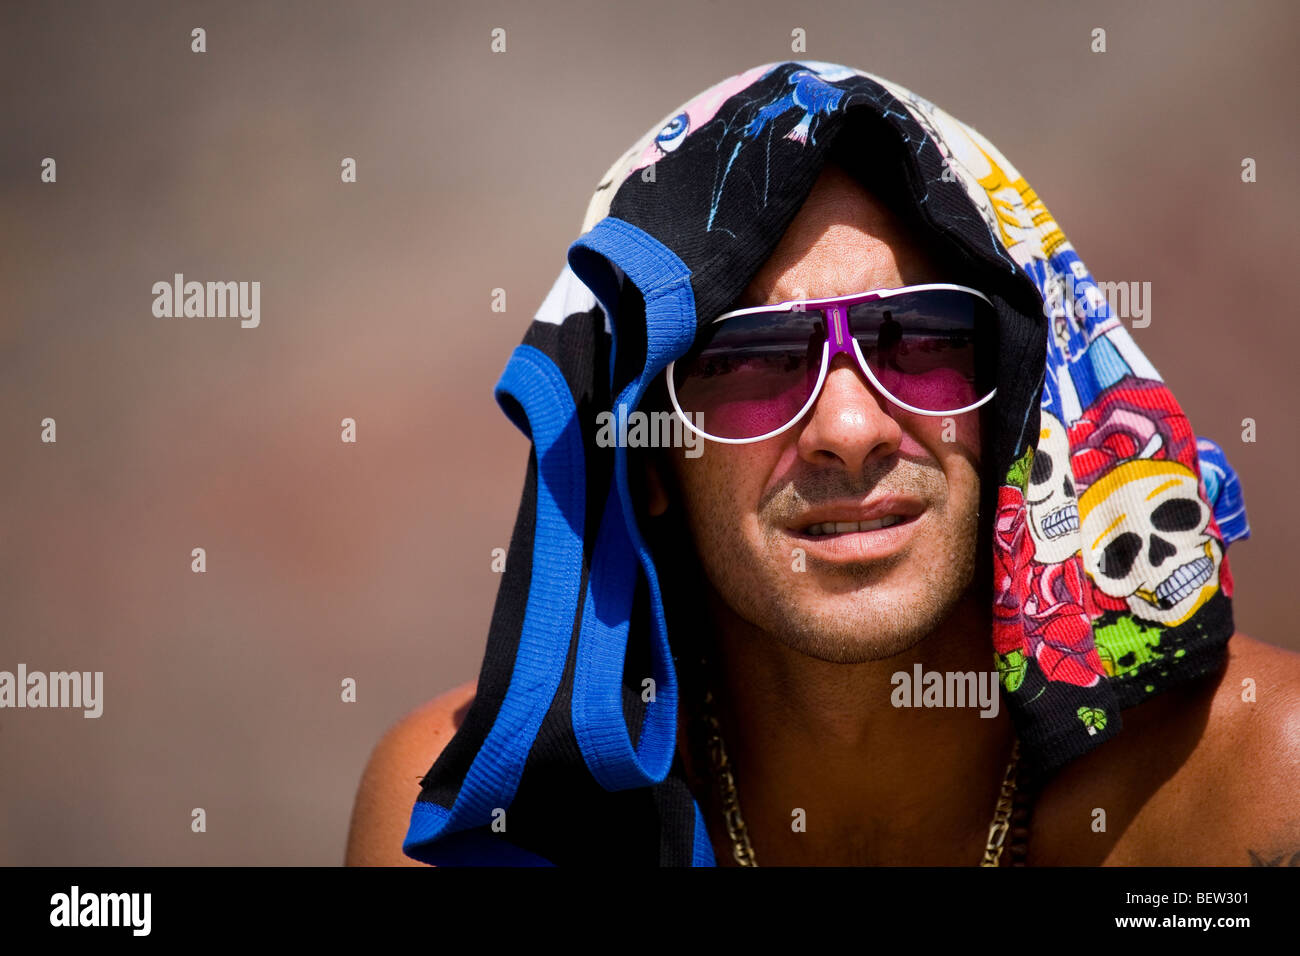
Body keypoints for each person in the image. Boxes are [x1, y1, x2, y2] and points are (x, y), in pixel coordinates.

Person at [346, 61, 1300, 867]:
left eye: (920, 339)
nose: (850, 427)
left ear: (1012, 403)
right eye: (751, 359)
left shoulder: (1247, 794)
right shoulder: (468, 826)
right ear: (647, 460)